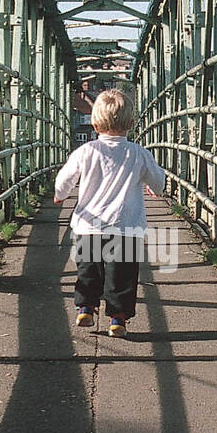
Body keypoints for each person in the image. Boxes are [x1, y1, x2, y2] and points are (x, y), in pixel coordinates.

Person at [53, 88, 165, 337]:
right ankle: (118, 318)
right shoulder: (138, 153)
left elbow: (65, 178)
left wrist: (60, 195)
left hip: (88, 225)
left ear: (94, 122)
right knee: (122, 276)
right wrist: (154, 187)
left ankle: (85, 307)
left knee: (88, 270)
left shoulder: (85, 151)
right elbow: (158, 181)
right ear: (132, 123)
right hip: (126, 227)